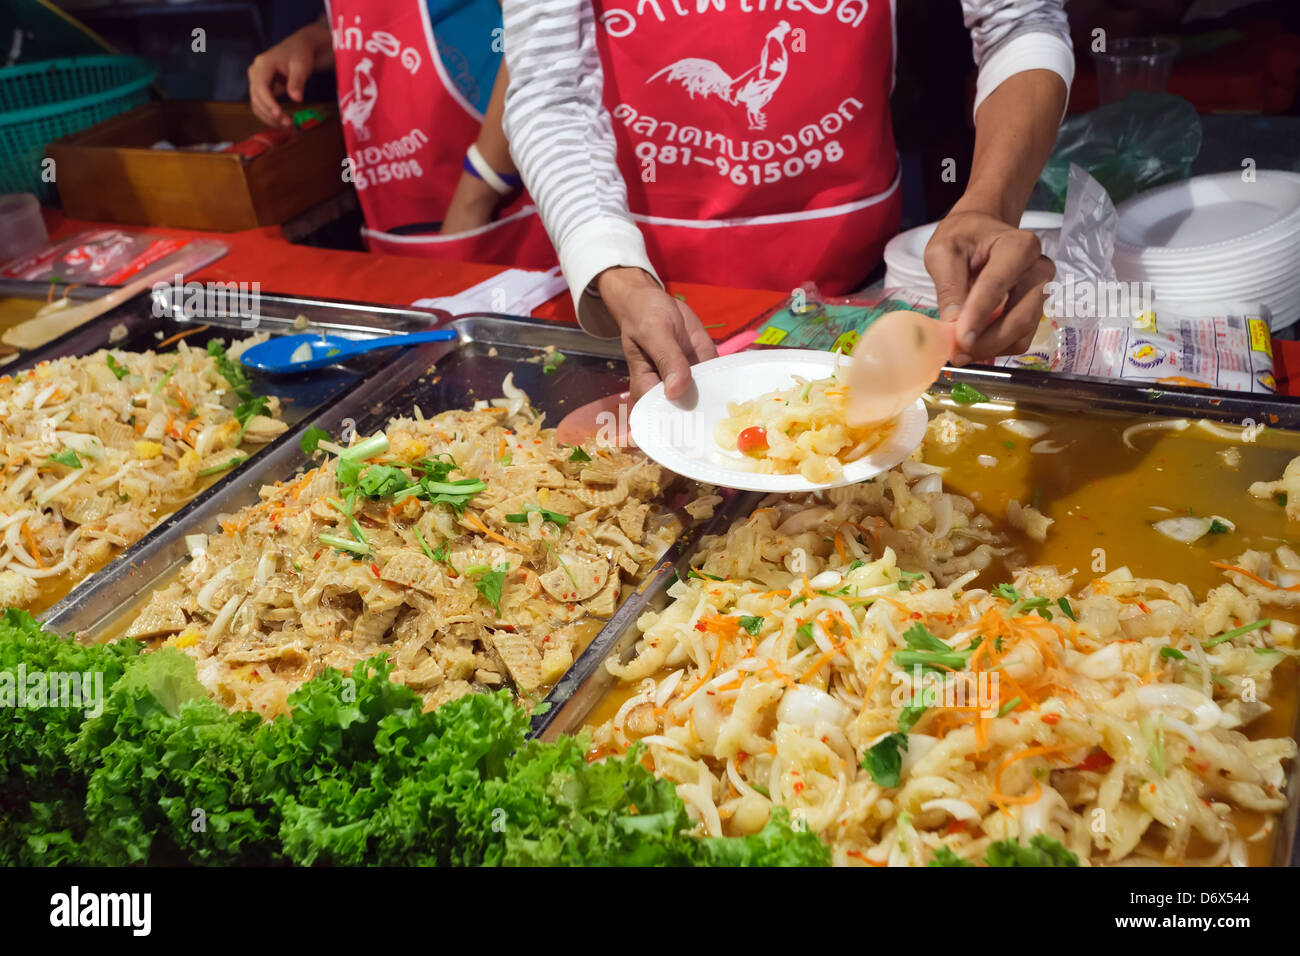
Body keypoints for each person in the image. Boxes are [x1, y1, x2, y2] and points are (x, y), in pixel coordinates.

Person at [502, 1, 1075, 398]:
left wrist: (990, 204)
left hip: (855, 289)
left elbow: (1020, 21)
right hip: (654, 300)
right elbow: (552, 88)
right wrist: (618, 273)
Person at [248, 0, 554, 266]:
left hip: (500, 209)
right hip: (396, 222)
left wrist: (475, 199)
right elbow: (378, 22)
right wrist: (313, 41)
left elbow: (539, 34)